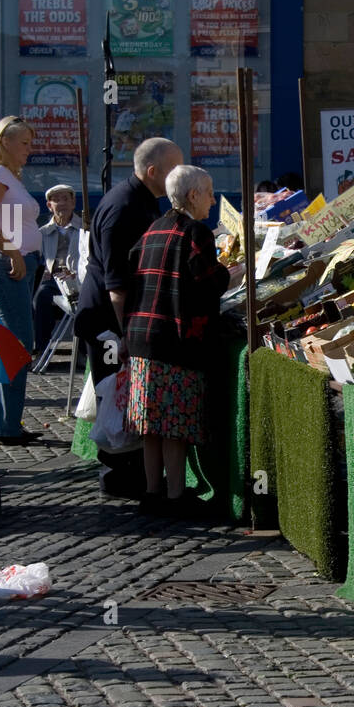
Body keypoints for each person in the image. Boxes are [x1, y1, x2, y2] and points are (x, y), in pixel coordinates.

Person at [75, 137, 183, 496]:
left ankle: (129, 473)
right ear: (153, 172)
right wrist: (125, 335)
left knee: (122, 393)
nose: (178, 175)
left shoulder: (141, 199)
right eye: (173, 168)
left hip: (115, 313)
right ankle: (118, 477)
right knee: (114, 393)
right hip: (107, 317)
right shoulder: (124, 207)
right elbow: (116, 285)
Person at [125, 165, 229, 517]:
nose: (213, 200)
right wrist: (232, 271)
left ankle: (152, 492)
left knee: (150, 421)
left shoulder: (152, 228)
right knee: (173, 424)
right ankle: (175, 496)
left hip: (142, 335)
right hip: (175, 337)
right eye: (210, 192)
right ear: (193, 195)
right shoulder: (196, 232)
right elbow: (209, 281)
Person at [0, 116, 43, 445]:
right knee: (17, 343)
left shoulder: (8, 176)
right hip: (4, 263)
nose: (30, 149)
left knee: (8, 344)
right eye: (25, 143)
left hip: (12, 263)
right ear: (6, 143)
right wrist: (13, 253)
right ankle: (3, 424)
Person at [33, 184, 82, 354]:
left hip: (79, 279)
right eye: (56, 200)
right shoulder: (42, 233)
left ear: (73, 203)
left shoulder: (85, 229)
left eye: (65, 199)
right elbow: (36, 258)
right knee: (41, 296)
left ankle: (82, 352)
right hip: (54, 280)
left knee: (88, 299)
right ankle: (41, 348)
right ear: (49, 205)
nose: (61, 203)